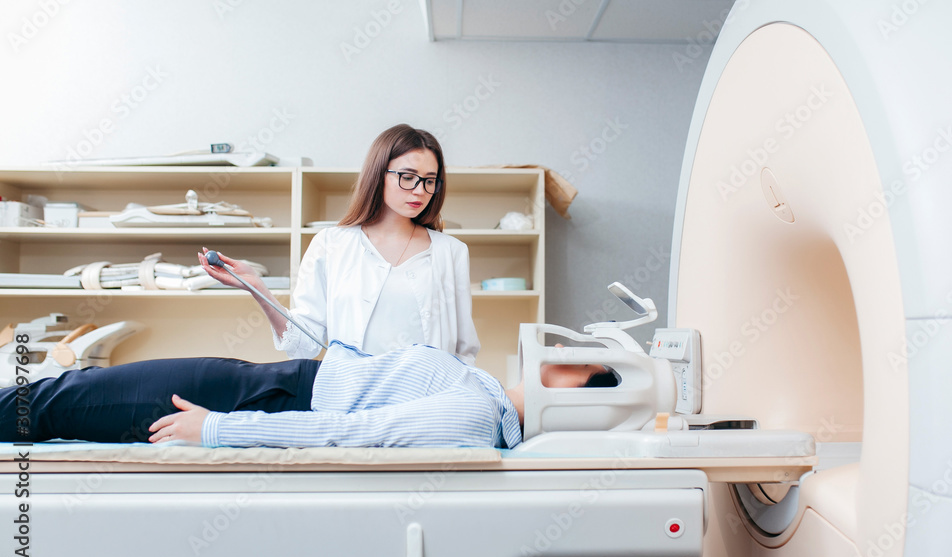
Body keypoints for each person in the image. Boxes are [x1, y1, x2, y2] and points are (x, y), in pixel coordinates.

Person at [201, 124, 480, 364]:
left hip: (427, 407)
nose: (420, 190)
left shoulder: (450, 252)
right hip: (350, 405)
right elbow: (304, 345)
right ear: (378, 173)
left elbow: (464, 351)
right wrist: (258, 288)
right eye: (407, 177)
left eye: (430, 181)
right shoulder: (331, 244)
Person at [0, 341, 611, 449]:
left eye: (578, 364)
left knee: (54, 404)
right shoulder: (481, 389)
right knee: (59, 395)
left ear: (576, 399)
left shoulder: (477, 415)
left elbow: (348, 435)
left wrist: (217, 429)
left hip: (255, 403)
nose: (560, 354)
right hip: (264, 381)